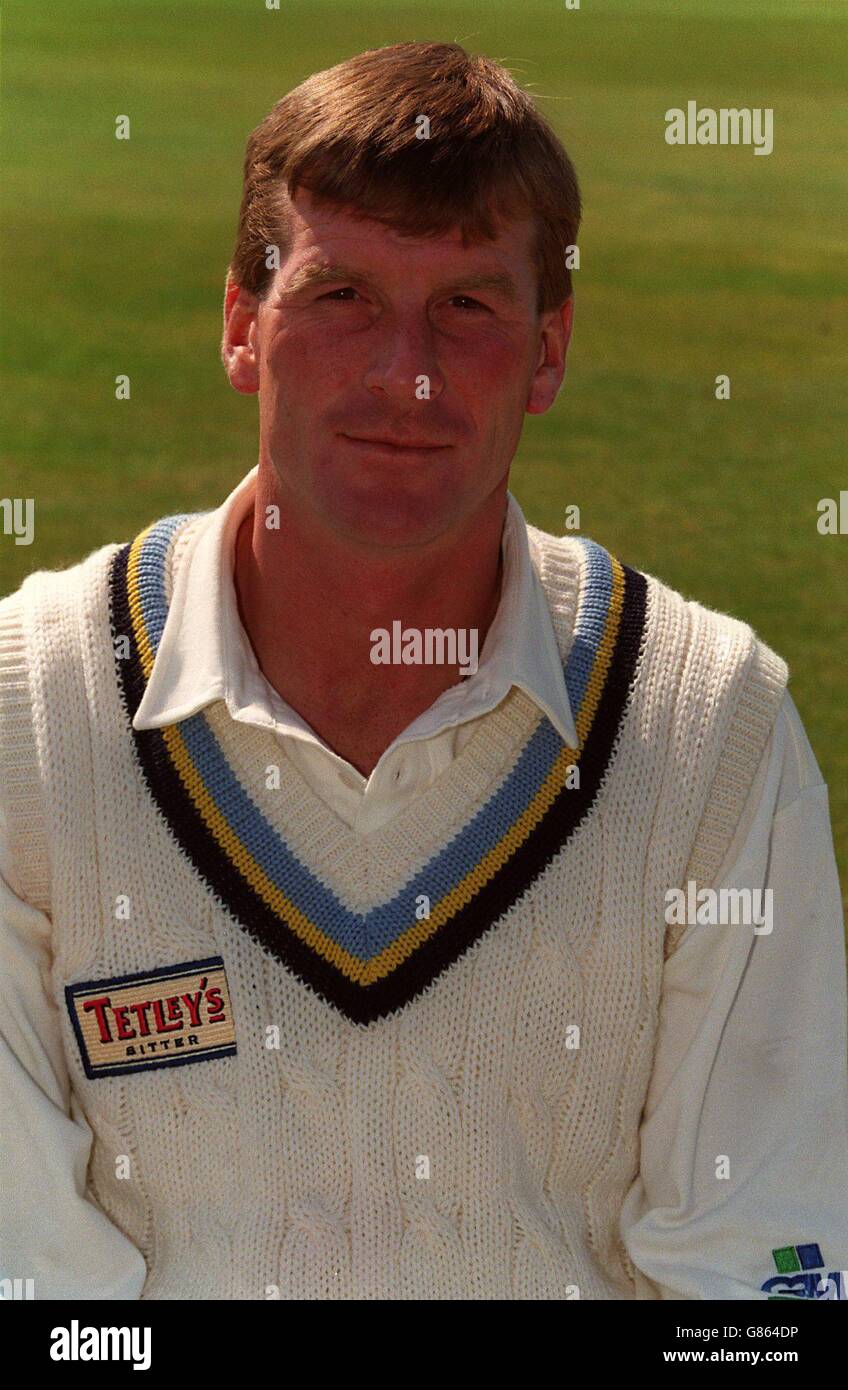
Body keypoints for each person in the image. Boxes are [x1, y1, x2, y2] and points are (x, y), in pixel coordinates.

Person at [1, 41, 846, 1302]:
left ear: (547, 353)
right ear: (243, 326)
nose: (406, 373)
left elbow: (761, 1273)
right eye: (340, 296)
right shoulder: (31, 703)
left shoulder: (706, 718)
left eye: (467, 307)